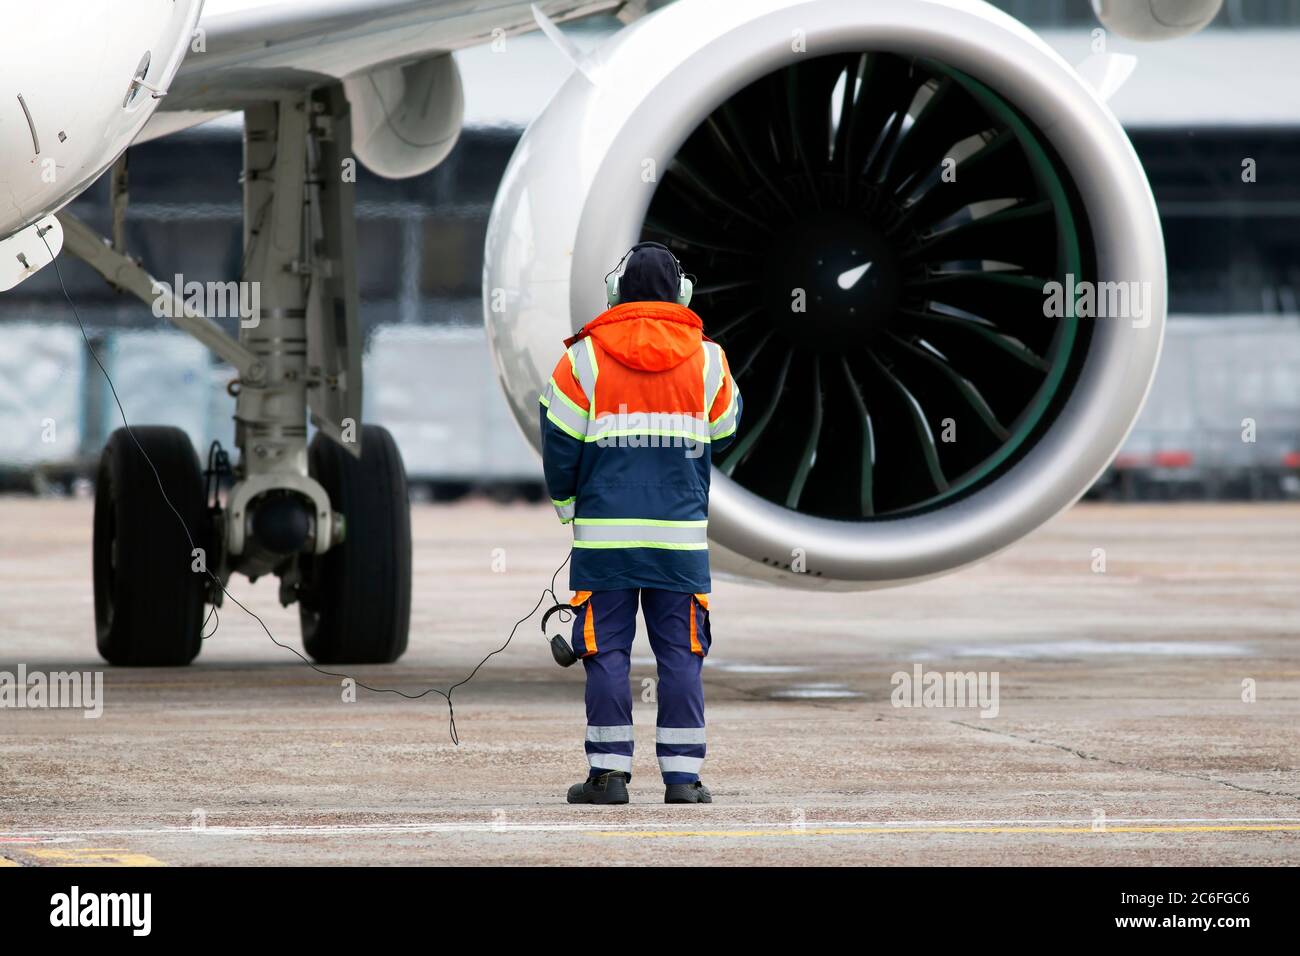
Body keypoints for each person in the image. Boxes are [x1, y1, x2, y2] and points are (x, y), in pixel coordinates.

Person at [538, 241, 742, 805]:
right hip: (679, 542)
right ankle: (684, 779)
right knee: (681, 655)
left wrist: (567, 502)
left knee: (606, 652)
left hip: (606, 542)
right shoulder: (709, 360)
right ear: (682, 293)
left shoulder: (583, 359)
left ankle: (607, 776)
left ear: (615, 291)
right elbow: (725, 429)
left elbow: (558, 439)